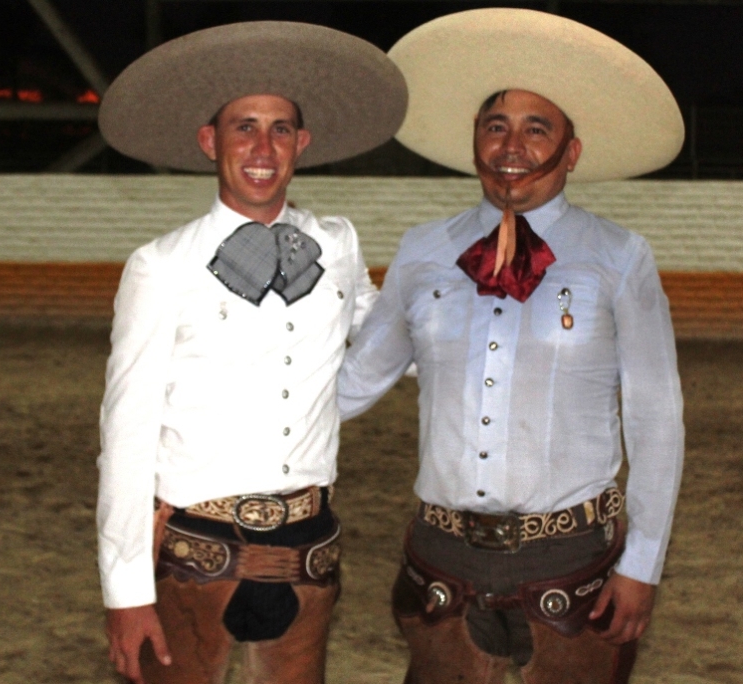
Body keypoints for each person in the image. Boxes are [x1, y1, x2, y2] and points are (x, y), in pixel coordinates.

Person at [338, 9, 685, 684]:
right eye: (495, 125)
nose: (511, 143)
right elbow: (353, 384)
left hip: (570, 560)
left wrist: (641, 563)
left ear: (571, 151)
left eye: (537, 127)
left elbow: (654, 417)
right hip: (441, 555)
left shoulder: (618, 257)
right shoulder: (422, 250)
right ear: (474, 142)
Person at [95, 21, 407, 684]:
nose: (262, 146)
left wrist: (465, 303)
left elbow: (390, 346)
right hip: (192, 553)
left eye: (279, 128)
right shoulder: (161, 265)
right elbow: (125, 432)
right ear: (211, 142)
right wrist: (125, 593)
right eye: (244, 126)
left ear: (302, 144)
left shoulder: (337, 244)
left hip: (308, 550)